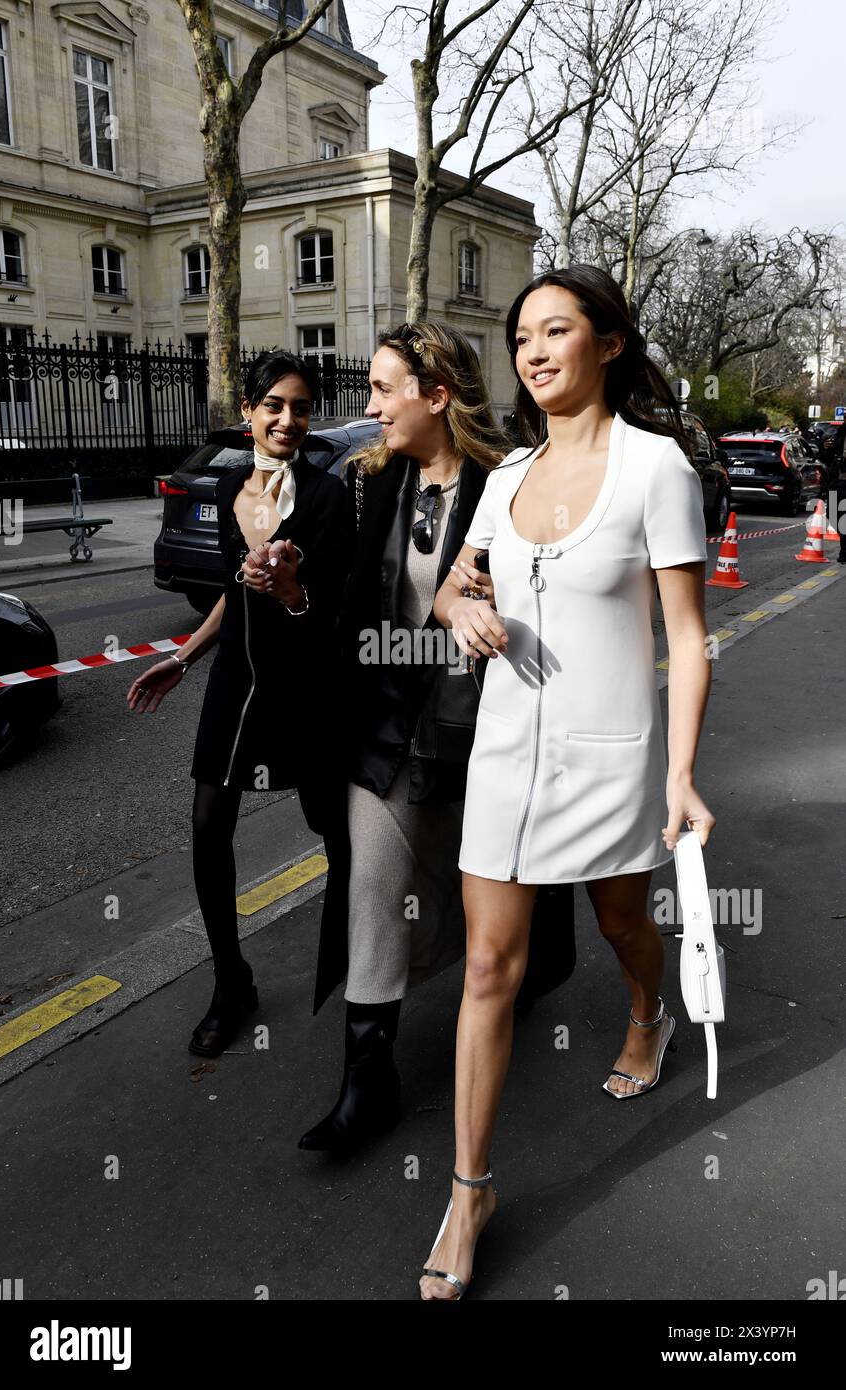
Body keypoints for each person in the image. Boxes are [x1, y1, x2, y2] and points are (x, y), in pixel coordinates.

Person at [418, 266, 717, 1299]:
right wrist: (459, 610)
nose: (533, 351)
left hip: (610, 752)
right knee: (488, 969)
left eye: (555, 330)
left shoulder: (655, 469)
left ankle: (647, 1008)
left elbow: (686, 634)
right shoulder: (502, 479)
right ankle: (467, 1191)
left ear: (609, 343)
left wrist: (678, 775)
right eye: (520, 338)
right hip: (503, 752)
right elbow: (457, 582)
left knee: (620, 920)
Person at [291, 321, 576, 1156]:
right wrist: (289, 589)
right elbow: (334, 608)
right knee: (374, 885)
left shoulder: (509, 486)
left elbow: (553, 611)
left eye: (385, 390)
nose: (370, 407)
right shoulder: (361, 485)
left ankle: (523, 975)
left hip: (479, 734)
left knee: (486, 888)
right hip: (382, 728)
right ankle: (365, 1084)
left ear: (437, 396)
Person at [125, 350, 353, 1056]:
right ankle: (231, 982)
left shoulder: (325, 496)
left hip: (304, 682)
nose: (289, 419)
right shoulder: (228, 495)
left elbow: (335, 611)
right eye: (275, 405)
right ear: (250, 412)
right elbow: (231, 590)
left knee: (334, 829)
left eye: (302, 407)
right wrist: (184, 657)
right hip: (235, 679)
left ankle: (366, 961)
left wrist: (292, 592)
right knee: (207, 820)